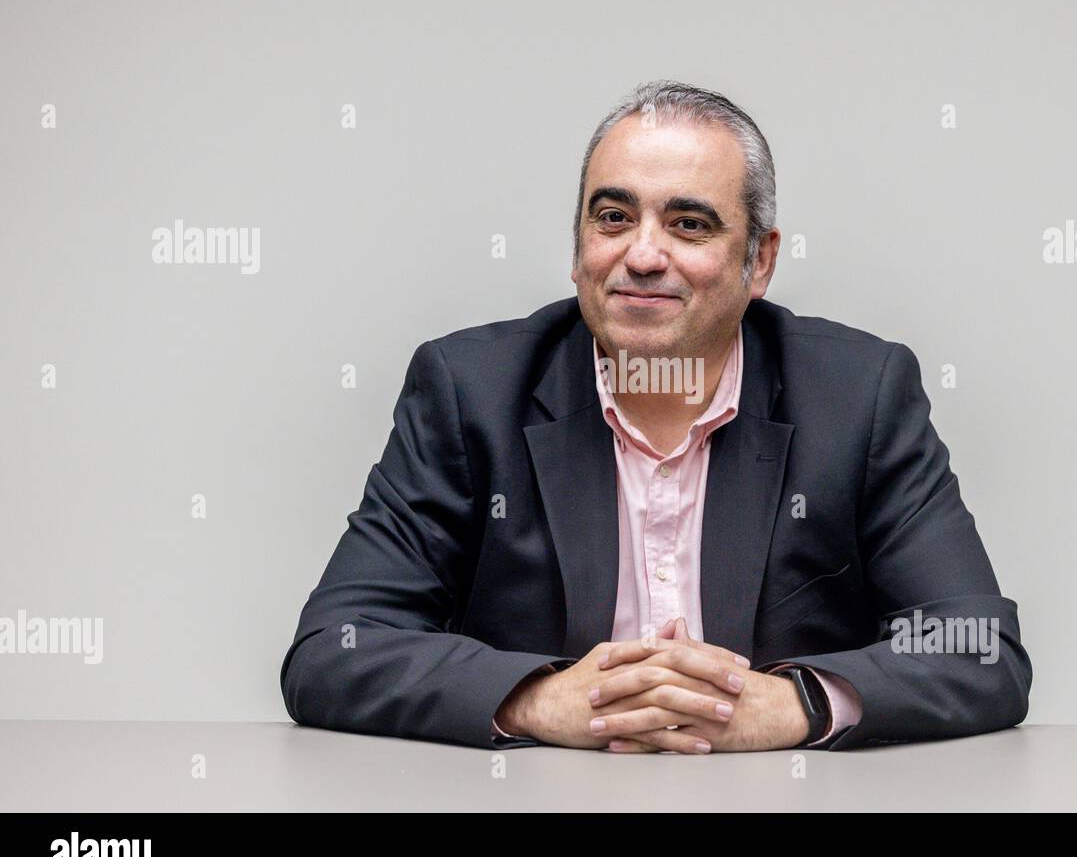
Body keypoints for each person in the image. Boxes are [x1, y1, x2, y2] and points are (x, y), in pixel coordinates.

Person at [280, 80, 1032, 753]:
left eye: (689, 224)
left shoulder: (859, 395)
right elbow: (333, 649)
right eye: (613, 217)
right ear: (578, 247)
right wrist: (540, 700)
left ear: (760, 262)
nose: (642, 255)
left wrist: (790, 707)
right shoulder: (469, 390)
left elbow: (979, 648)